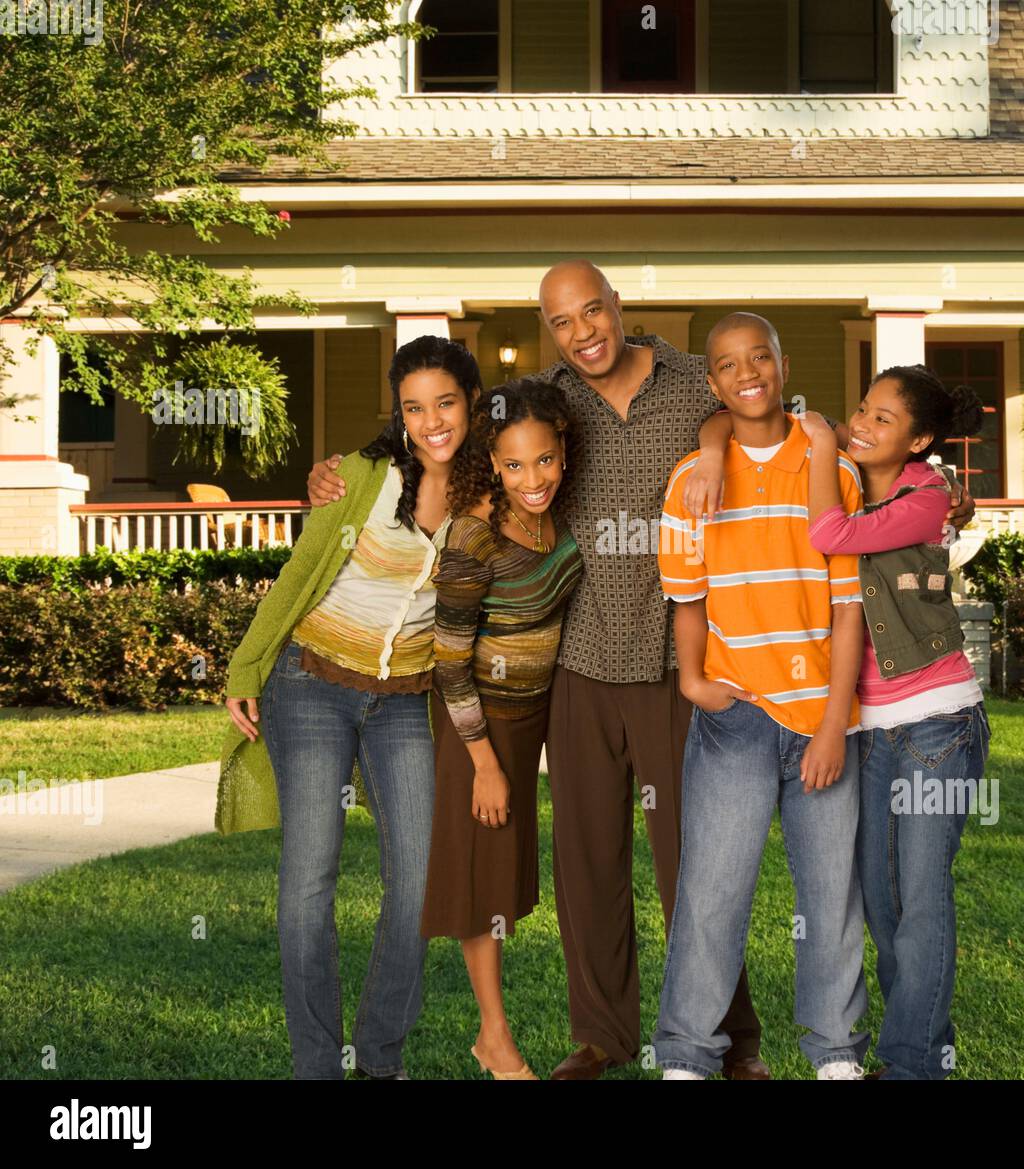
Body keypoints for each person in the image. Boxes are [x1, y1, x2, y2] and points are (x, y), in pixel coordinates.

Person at [306, 259, 976, 1080]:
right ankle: (602, 1036)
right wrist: (341, 469)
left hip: (674, 659)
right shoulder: (543, 399)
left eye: (593, 310)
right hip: (578, 660)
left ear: (619, 307)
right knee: (588, 863)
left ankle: (733, 1041)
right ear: (548, 329)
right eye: (562, 320)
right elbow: (441, 430)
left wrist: (919, 482)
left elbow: (777, 420)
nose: (582, 331)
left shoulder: (700, 378)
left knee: (694, 866)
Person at [219, 335, 480, 1080]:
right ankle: (315, 1065)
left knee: (422, 877)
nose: (431, 420)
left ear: (471, 402)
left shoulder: (488, 485)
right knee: (309, 877)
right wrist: (245, 662)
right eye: (414, 407)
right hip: (310, 683)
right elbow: (303, 570)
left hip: (403, 701)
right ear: (397, 413)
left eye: (446, 403)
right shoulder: (362, 477)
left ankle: (379, 1052)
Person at [652, 312, 871, 1080]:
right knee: (710, 895)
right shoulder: (691, 479)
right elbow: (687, 597)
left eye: (760, 357)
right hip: (735, 719)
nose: (747, 373)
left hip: (821, 716)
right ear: (711, 382)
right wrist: (692, 680)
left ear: (782, 364)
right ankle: (685, 1055)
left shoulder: (831, 470)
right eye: (727, 364)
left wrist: (837, 723)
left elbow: (850, 609)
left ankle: (836, 1053)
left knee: (831, 898)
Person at [803, 364, 993, 1080]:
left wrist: (824, 451)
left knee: (921, 898)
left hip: (938, 724)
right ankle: (916, 1046)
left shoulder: (927, 492)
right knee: (882, 902)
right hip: (874, 727)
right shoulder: (864, 482)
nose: (862, 422)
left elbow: (830, 533)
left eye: (885, 419)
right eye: (862, 408)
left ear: (918, 440)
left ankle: (914, 1064)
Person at [421, 379, 584, 1080]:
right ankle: (495, 1035)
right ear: (492, 462)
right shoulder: (472, 533)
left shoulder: (562, 511)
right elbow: (448, 661)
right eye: (514, 466)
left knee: (513, 872)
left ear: (563, 449)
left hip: (541, 710)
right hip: (477, 722)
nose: (533, 479)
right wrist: (483, 761)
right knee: (480, 879)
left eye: (543, 460)